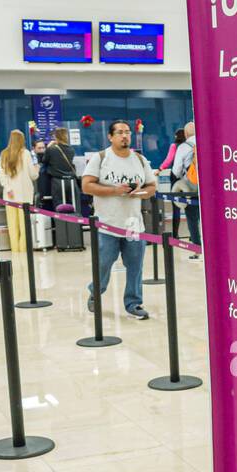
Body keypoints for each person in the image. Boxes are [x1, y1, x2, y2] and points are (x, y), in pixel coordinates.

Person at [81, 120, 156, 321]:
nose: (125, 136)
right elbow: (86, 186)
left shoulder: (139, 159)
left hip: (133, 224)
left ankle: (133, 303)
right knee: (104, 264)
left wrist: (139, 193)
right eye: (120, 132)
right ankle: (95, 293)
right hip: (106, 224)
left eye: (127, 132)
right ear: (110, 136)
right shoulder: (101, 158)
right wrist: (115, 191)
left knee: (135, 266)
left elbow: (152, 187)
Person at [0, 130, 37, 253]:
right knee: (24, 226)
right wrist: (37, 169)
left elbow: (1, 174)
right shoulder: (26, 154)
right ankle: (23, 250)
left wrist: (8, 188)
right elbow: (33, 175)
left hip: (10, 196)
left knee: (12, 225)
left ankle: (15, 250)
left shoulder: (4, 154)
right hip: (24, 195)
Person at [171, 120, 201, 258]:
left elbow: (176, 170)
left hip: (191, 187)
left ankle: (197, 249)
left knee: (192, 218)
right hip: (208, 188)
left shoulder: (183, 147)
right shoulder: (207, 142)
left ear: (186, 133)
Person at [37, 127, 76, 212]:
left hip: (57, 181)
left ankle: (61, 225)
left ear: (56, 136)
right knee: (73, 205)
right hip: (71, 181)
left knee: (59, 206)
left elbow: (44, 161)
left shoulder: (52, 149)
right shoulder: (71, 149)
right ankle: (75, 224)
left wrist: (49, 146)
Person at [159, 126, 185, 239]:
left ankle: (176, 235)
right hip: (188, 178)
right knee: (191, 207)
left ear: (176, 136)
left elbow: (169, 159)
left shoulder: (174, 146)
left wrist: (160, 168)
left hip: (175, 177)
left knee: (176, 206)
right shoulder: (189, 146)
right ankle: (195, 235)